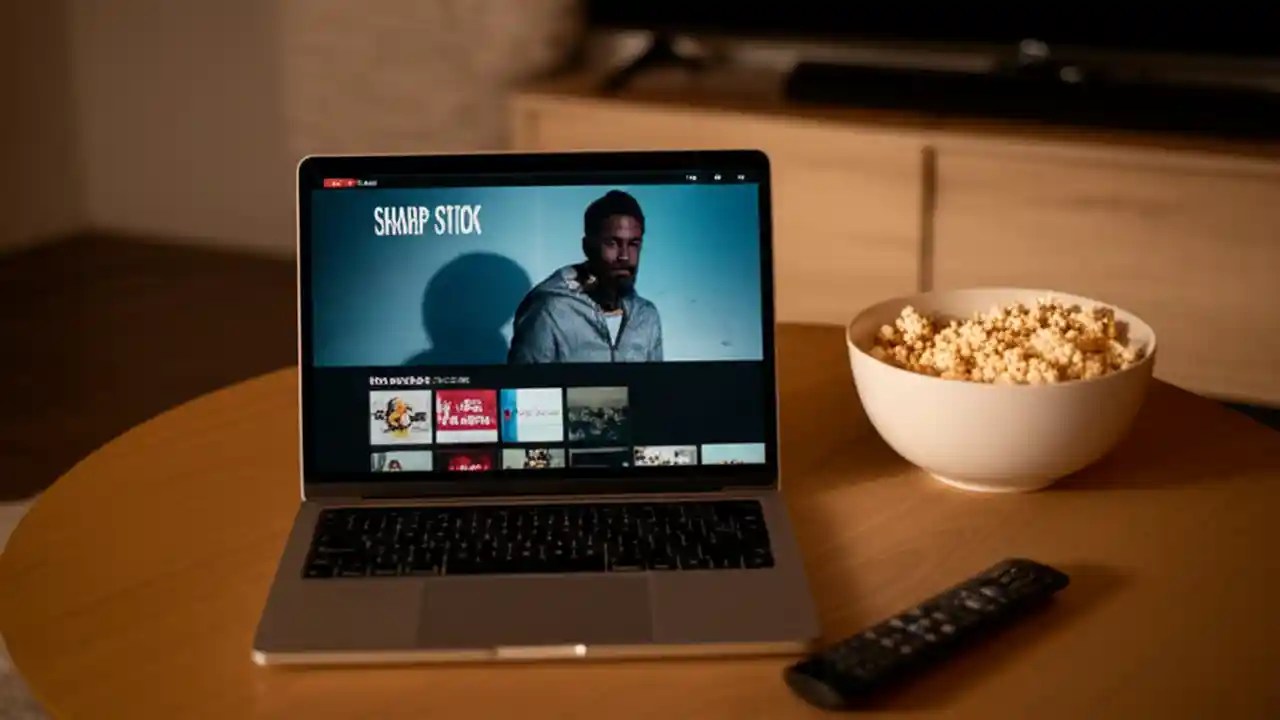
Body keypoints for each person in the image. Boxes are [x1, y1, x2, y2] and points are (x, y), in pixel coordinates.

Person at [508, 190, 663, 363]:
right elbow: (525, 388)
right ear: (587, 247)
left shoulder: (646, 316)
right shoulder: (549, 309)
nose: (624, 256)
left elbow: (654, 388)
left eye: (633, 244)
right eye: (612, 243)